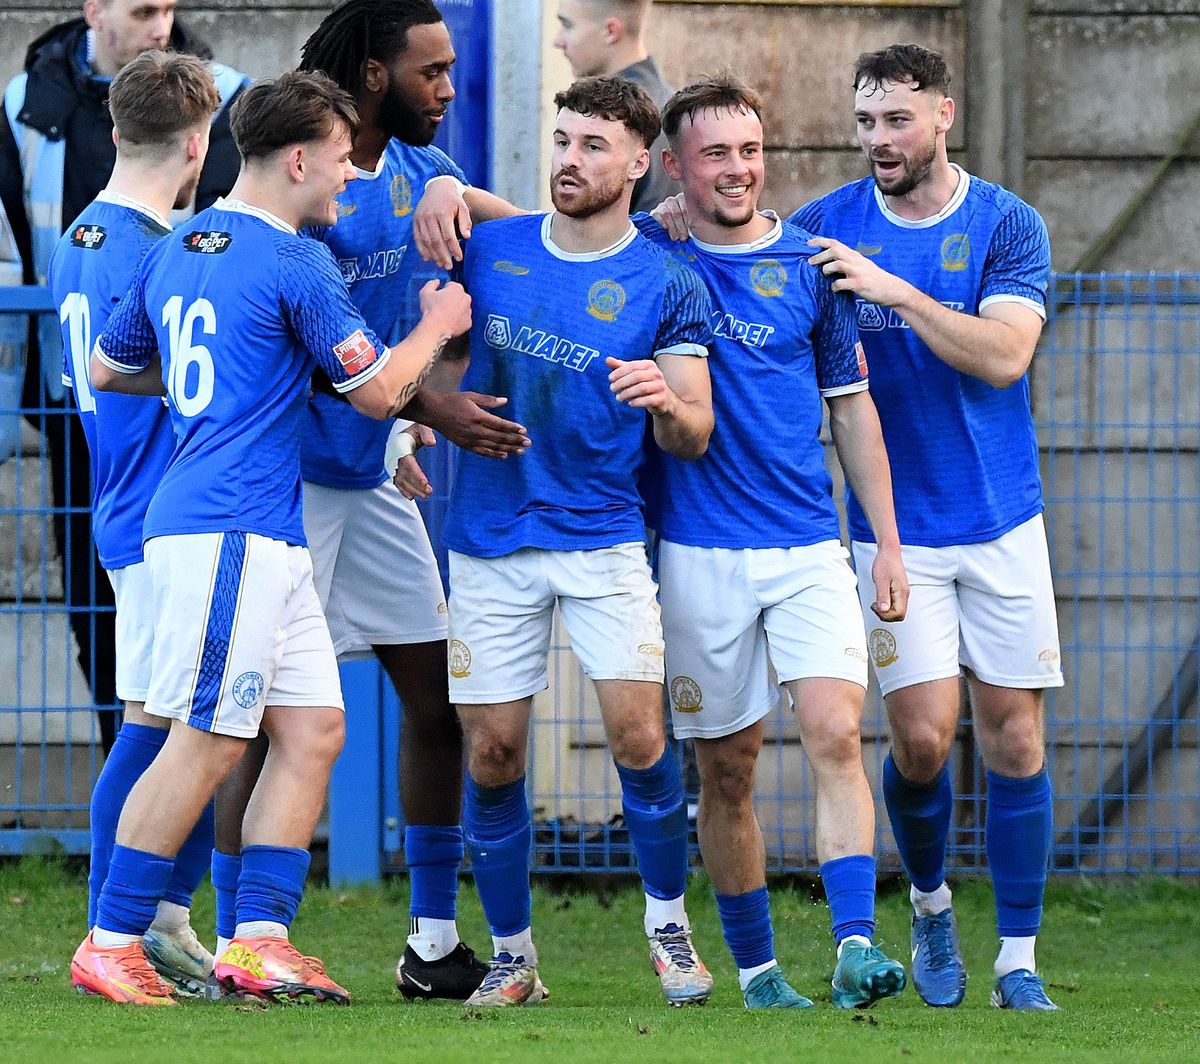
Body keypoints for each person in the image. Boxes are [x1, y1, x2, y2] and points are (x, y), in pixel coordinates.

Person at [68, 70, 472, 1006]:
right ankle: (113, 935)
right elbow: (377, 393)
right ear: (298, 158)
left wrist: (228, 388)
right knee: (206, 739)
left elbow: (109, 367)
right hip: (228, 532)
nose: (348, 182)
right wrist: (434, 324)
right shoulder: (296, 261)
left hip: (245, 526)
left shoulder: (181, 245)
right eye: (339, 163)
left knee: (314, 729)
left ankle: (257, 938)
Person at [793, 43, 1063, 1011]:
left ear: (944, 114)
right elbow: (741, 265)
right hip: (891, 530)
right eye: (864, 122)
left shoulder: (1006, 222)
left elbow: (1003, 356)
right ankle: (934, 901)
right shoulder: (823, 228)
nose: (877, 140)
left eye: (896, 120)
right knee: (917, 740)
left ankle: (1018, 959)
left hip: (1000, 520)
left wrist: (896, 289)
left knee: (1018, 737)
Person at [638, 73, 909, 1010]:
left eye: (750, 151)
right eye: (715, 153)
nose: (738, 169)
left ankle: (855, 947)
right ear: (674, 166)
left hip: (806, 546)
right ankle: (758, 973)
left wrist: (884, 540)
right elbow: (553, 244)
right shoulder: (647, 256)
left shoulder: (813, 269)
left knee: (836, 731)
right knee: (728, 767)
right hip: (697, 552)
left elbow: (855, 412)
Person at [444, 76, 714, 1008]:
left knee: (641, 739)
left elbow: (696, 431)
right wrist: (414, 429)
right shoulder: (495, 248)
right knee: (493, 756)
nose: (570, 159)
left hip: (601, 537)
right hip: (487, 532)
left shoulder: (668, 280)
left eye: (595, 145)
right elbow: (437, 358)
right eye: (562, 141)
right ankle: (514, 959)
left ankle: (669, 929)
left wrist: (664, 401)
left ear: (640, 164)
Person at [284, 0, 528, 1002]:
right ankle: (230, 932)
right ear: (377, 76)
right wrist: (433, 404)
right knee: (257, 719)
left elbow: (519, 229)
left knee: (439, 699)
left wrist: (637, 223)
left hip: (372, 474)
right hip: (286, 478)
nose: (449, 88)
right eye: (432, 72)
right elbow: (298, 343)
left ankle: (431, 945)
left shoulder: (426, 173)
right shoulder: (305, 173)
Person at [0, 0, 249, 753]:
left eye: (170, 9)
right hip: (99, 406)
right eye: (144, 9)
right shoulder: (25, 100)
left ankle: (138, 851)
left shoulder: (225, 93)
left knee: (164, 695)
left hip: (148, 412)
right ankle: (139, 854)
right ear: (94, 10)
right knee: (155, 690)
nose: (160, 25)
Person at [48, 48, 221, 999]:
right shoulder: (160, 253)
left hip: (128, 499)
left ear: (115, 130)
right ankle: (116, 928)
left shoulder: (80, 233)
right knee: (161, 726)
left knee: (182, 721)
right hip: (160, 510)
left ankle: (153, 918)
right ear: (199, 143)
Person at [553, 0, 675, 213]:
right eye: (563, 143)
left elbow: (578, 233)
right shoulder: (675, 104)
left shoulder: (615, 119)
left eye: (568, 25)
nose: (558, 41)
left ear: (610, 31)